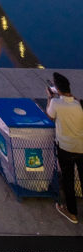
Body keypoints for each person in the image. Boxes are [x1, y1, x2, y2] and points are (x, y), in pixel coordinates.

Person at [47, 72, 83, 224]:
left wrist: (50, 98)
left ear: (57, 89)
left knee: (68, 181)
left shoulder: (56, 103)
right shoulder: (78, 104)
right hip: (80, 147)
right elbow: (72, 101)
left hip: (65, 148)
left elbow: (49, 117)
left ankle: (72, 213)